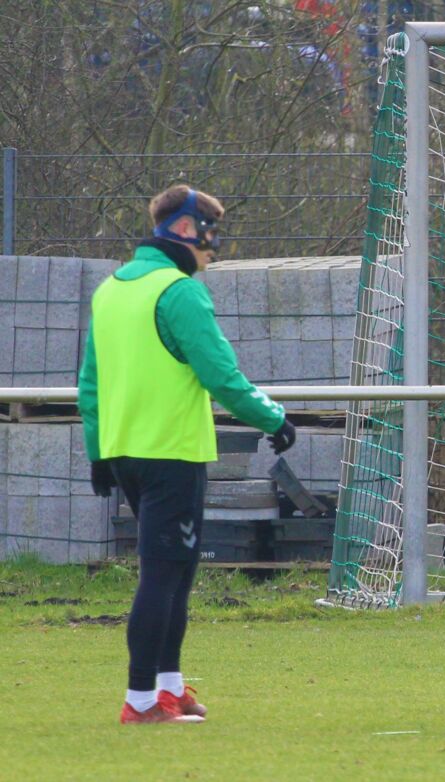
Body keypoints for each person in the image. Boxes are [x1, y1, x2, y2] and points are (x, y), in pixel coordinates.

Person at [78, 185, 297, 724]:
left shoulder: (111, 290)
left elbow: (90, 383)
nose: (213, 248)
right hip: (170, 451)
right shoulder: (178, 292)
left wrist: (97, 452)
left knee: (177, 571)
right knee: (162, 574)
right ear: (182, 230)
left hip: (126, 449)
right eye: (209, 234)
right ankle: (141, 701)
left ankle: (170, 687)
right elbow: (220, 374)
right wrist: (274, 418)